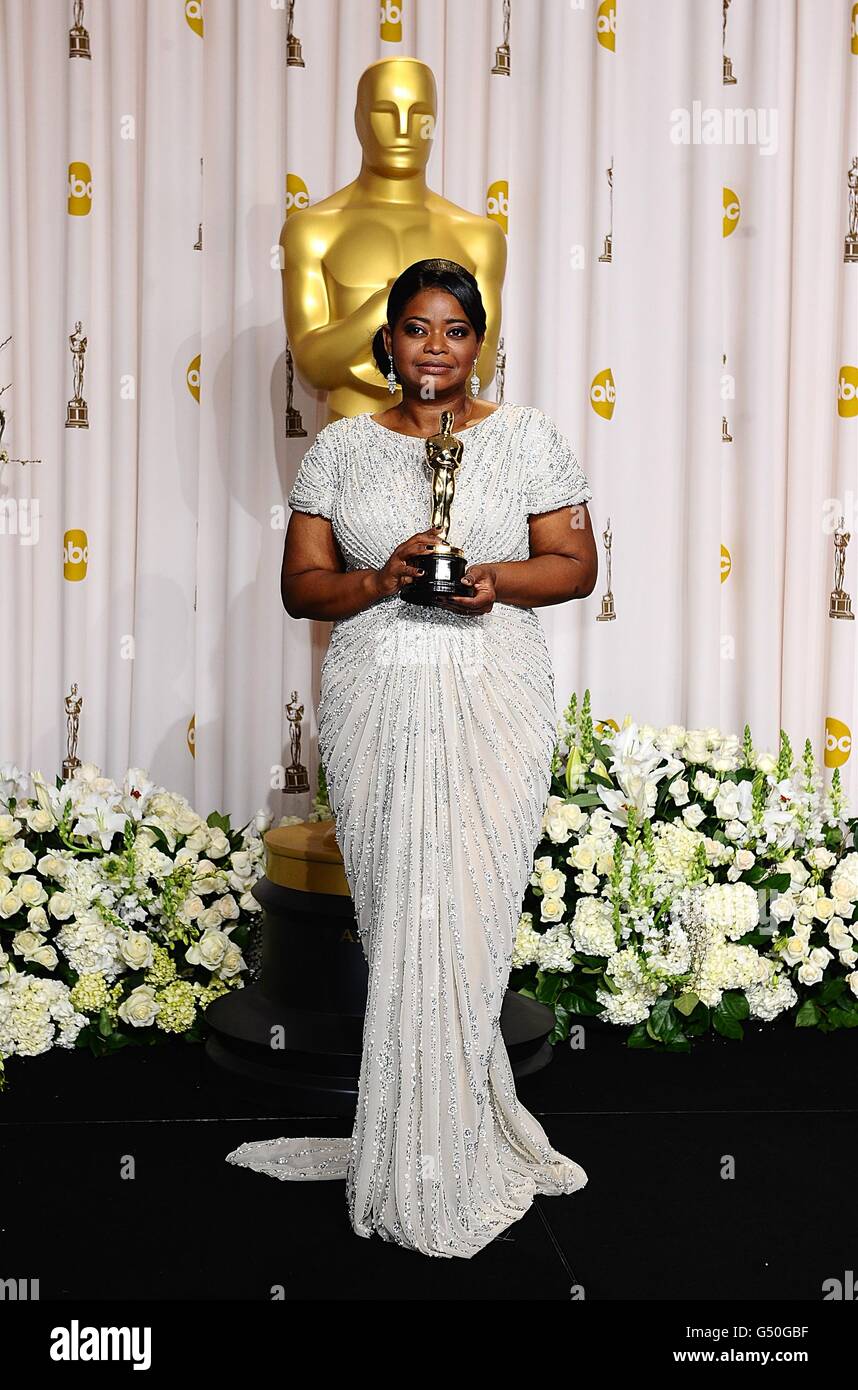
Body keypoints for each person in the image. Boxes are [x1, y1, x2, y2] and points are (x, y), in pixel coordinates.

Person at [225, 258, 598, 1259]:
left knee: (470, 922)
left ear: (482, 341)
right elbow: (303, 586)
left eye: (456, 330)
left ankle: (463, 1139)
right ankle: (409, 1149)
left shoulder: (526, 437)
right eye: (417, 329)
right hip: (376, 697)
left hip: (494, 697)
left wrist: (491, 580)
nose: (437, 348)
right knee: (400, 921)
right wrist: (383, 578)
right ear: (387, 341)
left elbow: (576, 564)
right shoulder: (341, 448)